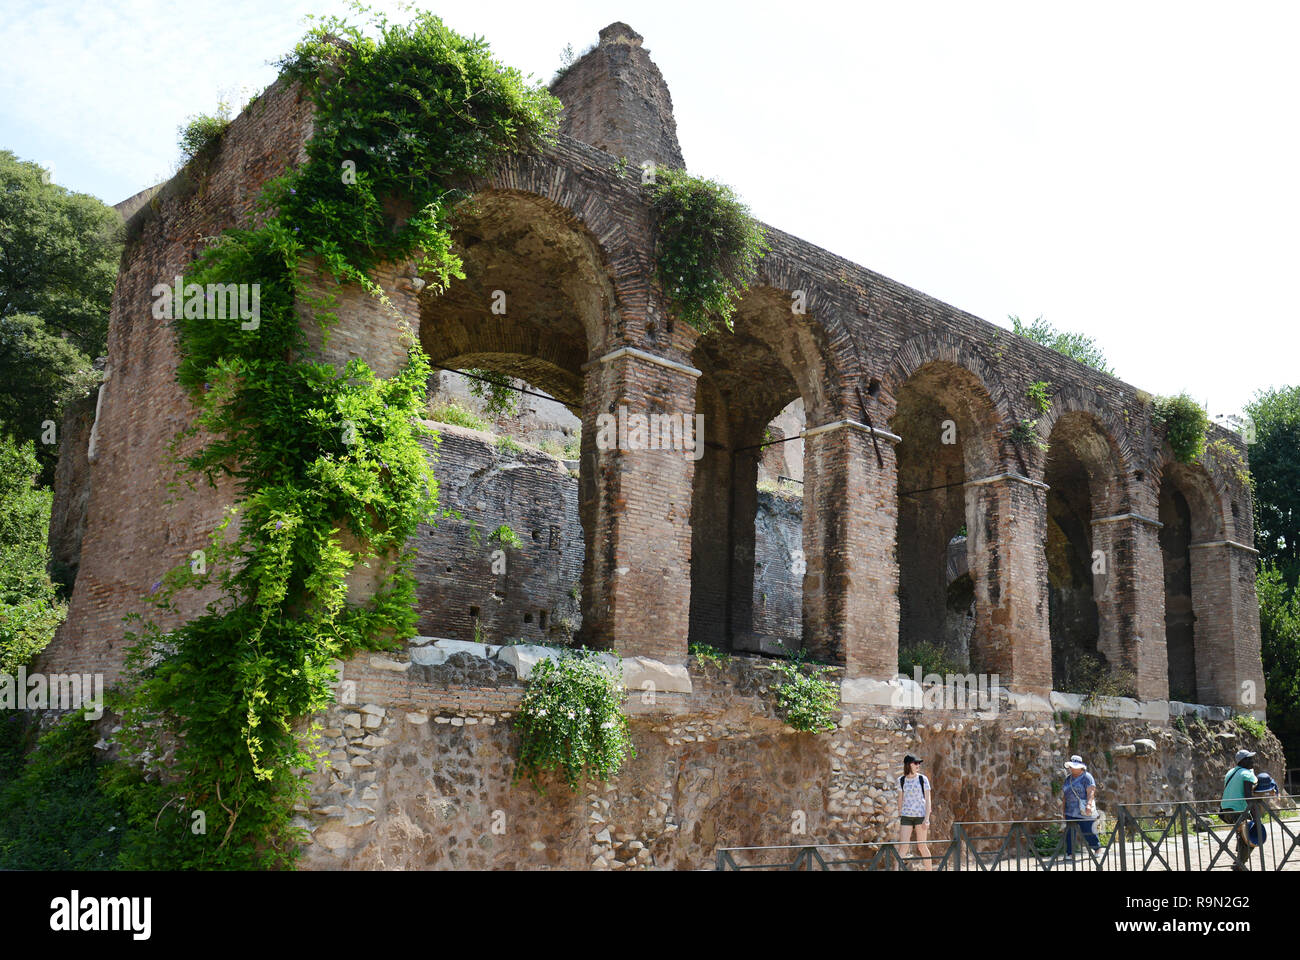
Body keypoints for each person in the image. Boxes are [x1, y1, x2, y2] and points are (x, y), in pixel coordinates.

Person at [1220, 749, 1259, 871]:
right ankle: (1239, 865)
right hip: (1238, 811)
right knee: (1252, 837)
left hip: (1226, 811)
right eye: (1250, 759)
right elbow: (1248, 796)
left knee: (1244, 837)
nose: (1253, 761)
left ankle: (1239, 861)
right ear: (1243, 761)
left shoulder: (1231, 772)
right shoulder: (1246, 773)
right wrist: (1256, 816)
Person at [897, 754, 933, 869]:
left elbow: (928, 800)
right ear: (909, 765)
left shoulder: (923, 779)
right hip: (906, 816)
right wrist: (900, 814)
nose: (918, 765)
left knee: (922, 846)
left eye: (919, 763)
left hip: (920, 816)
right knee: (903, 847)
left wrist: (927, 819)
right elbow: (900, 800)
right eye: (915, 763)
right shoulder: (901, 780)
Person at [1062, 755, 1101, 858]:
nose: (1072, 768)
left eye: (1075, 766)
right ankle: (1070, 853)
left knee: (1088, 830)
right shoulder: (1067, 779)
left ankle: (1097, 848)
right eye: (1071, 766)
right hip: (1070, 811)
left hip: (1083, 810)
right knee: (1070, 832)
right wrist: (1063, 810)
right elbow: (1065, 795)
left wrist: (1088, 805)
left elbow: (1091, 792)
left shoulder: (1087, 777)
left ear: (1081, 767)